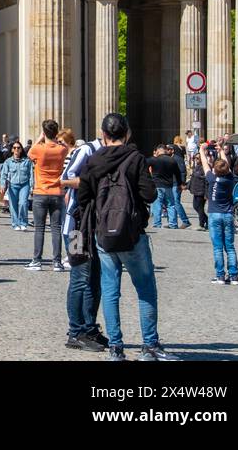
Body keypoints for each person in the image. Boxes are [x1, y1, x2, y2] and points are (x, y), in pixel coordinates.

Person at [76, 113, 178, 361]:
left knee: (110, 291)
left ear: (103, 134)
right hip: (132, 234)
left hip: (104, 236)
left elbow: (82, 198)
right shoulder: (135, 159)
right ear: (127, 133)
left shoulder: (93, 160)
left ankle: (116, 348)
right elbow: (150, 195)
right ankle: (150, 346)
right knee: (145, 289)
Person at [57, 129, 107, 352]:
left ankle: (89, 328)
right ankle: (74, 332)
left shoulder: (108, 153)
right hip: (76, 228)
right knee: (79, 278)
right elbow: (65, 178)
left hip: (95, 227)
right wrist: (93, 182)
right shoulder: (86, 149)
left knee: (95, 279)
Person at [26, 120, 69, 271]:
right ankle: (57, 262)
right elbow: (65, 147)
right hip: (57, 192)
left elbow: (29, 153)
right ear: (56, 133)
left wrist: (40, 138)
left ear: (44, 133)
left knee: (39, 228)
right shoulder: (61, 150)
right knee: (56, 228)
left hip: (41, 192)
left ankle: (37, 260)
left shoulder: (38, 149)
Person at [205, 157, 238, 284]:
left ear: (215, 170)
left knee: (217, 247)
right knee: (230, 247)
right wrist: (221, 151)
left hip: (215, 215)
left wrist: (202, 151)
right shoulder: (230, 179)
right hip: (228, 214)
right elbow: (227, 167)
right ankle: (234, 276)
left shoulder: (212, 178)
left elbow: (204, 164)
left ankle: (220, 276)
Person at [149, 145, 184, 230]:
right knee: (171, 205)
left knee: (157, 205)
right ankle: (173, 224)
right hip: (169, 186)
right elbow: (177, 174)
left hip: (157, 186)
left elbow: (143, 166)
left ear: (158, 150)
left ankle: (157, 224)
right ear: (165, 150)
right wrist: (180, 184)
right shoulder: (172, 160)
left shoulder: (154, 160)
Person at [0, 141, 32, 229]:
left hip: (24, 185)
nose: (16, 149)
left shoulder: (27, 161)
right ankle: (15, 223)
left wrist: (32, 187)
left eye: (18, 147)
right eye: (14, 148)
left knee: (23, 203)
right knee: (13, 206)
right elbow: (4, 174)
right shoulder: (8, 161)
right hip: (12, 185)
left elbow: (31, 175)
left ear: (21, 149)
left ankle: (23, 223)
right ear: (12, 150)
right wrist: (2, 185)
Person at [187, 151, 208, 230]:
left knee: (200, 208)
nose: (196, 159)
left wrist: (206, 194)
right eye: (195, 158)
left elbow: (207, 182)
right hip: (195, 190)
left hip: (201, 191)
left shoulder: (205, 168)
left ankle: (201, 224)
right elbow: (193, 178)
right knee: (195, 207)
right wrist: (187, 186)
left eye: (197, 158)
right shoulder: (197, 166)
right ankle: (207, 220)